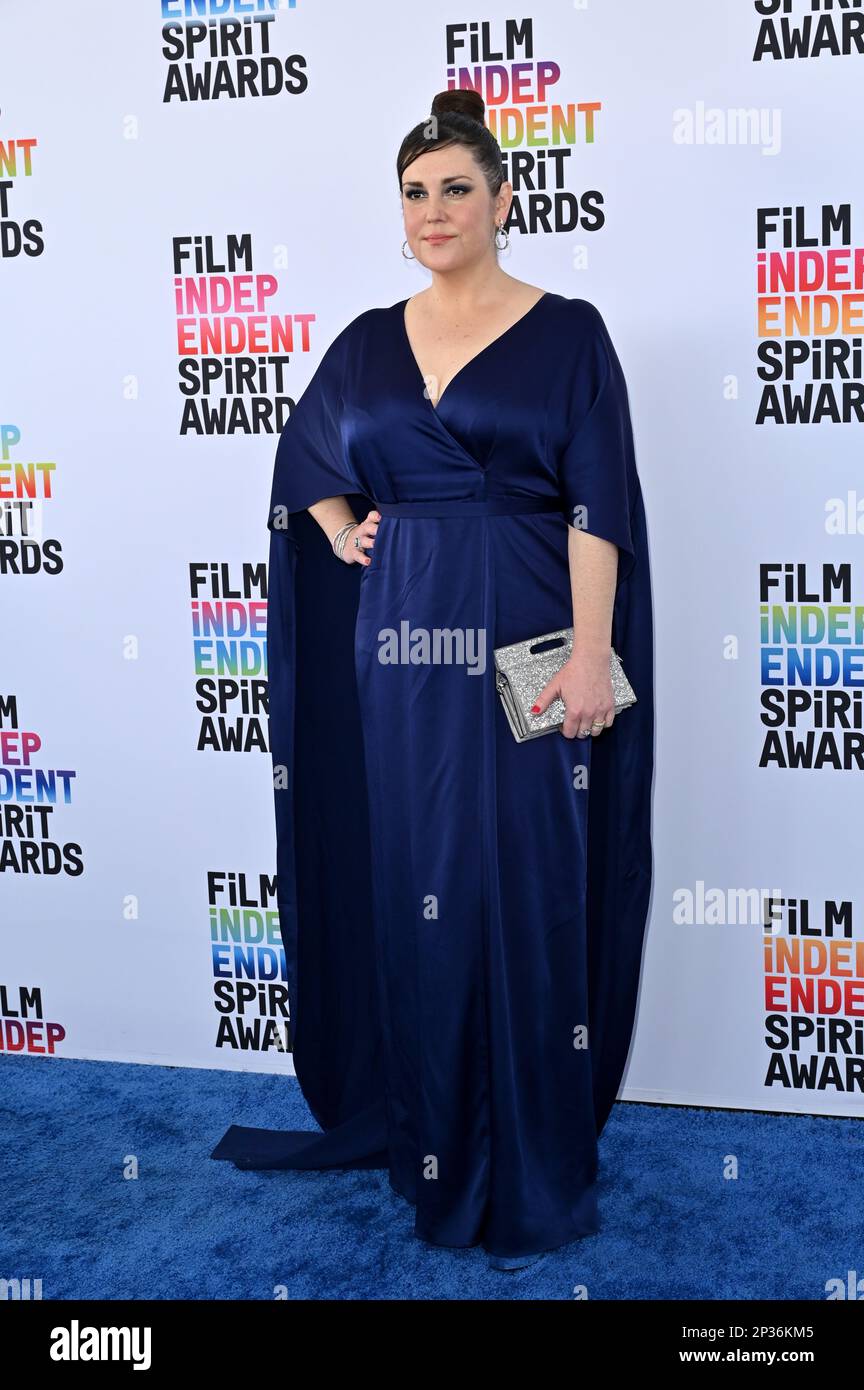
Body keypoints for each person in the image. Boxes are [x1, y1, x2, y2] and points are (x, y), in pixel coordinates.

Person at [211, 86, 654, 1272]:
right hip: (403, 648)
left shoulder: (571, 331)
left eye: (457, 187)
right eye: (415, 193)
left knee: (525, 881)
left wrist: (596, 656)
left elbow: (597, 504)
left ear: (505, 199)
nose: (434, 210)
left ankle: (531, 1149)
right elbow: (304, 453)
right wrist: (345, 523)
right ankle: (435, 1141)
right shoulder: (365, 339)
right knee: (425, 880)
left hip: (528, 632)